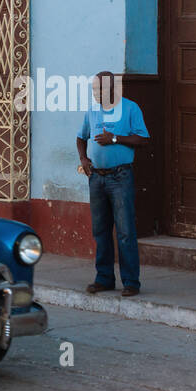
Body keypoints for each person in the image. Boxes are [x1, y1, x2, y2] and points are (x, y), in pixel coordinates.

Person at [76, 71, 149, 296]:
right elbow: (81, 137)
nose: (96, 94)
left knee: (125, 230)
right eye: (94, 90)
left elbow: (143, 139)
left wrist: (115, 139)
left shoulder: (130, 108)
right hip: (97, 177)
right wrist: (84, 159)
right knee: (101, 230)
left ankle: (130, 282)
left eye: (100, 89)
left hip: (120, 177)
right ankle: (104, 278)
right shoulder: (92, 111)